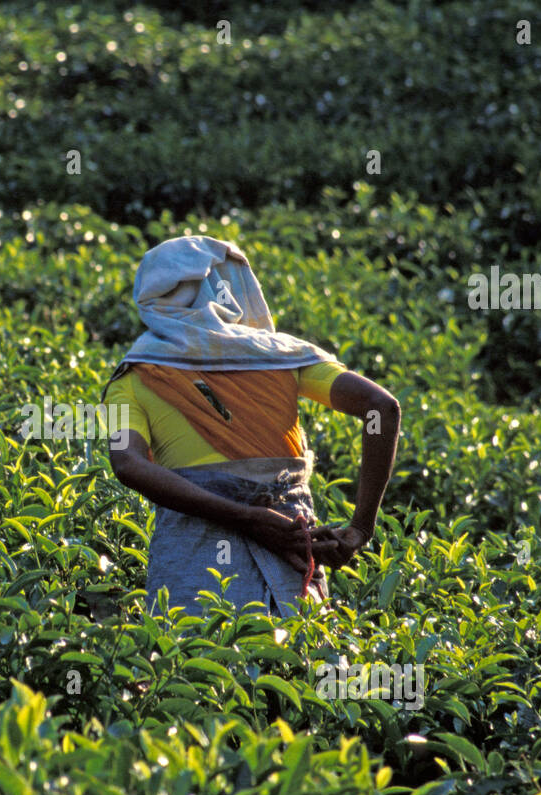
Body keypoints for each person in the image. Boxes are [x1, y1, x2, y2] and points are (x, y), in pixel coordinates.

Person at [102, 235, 400, 619]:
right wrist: (360, 529)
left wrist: (246, 518)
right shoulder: (285, 358)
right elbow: (383, 407)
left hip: (195, 559)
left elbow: (127, 464)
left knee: (193, 666)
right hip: (292, 547)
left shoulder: (128, 379)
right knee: (297, 663)